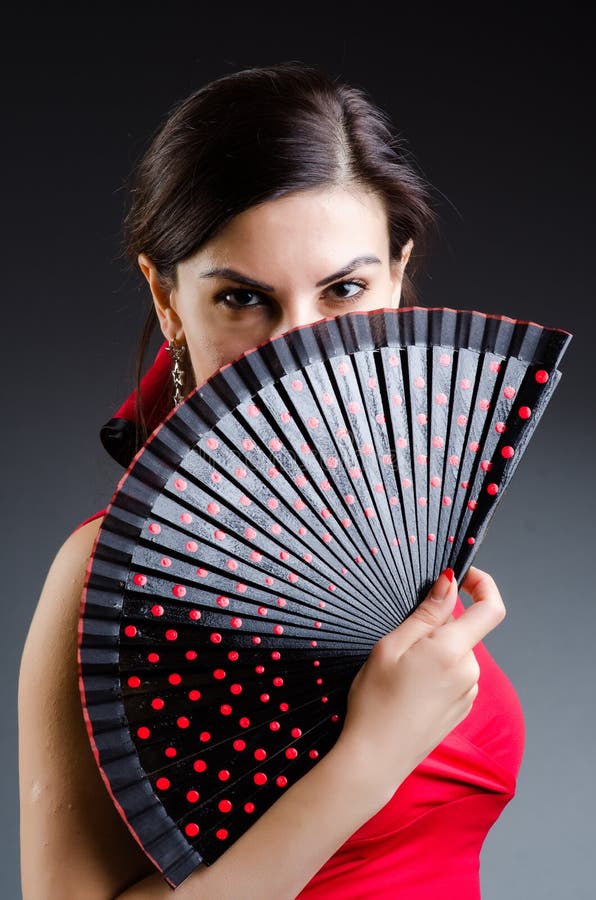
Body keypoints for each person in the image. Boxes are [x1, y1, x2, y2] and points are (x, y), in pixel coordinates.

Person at [18, 62, 525, 899]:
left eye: (344, 290)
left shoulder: (403, 532)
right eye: (245, 298)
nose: (299, 347)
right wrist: (369, 758)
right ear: (170, 298)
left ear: (398, 277)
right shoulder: (115, 576)